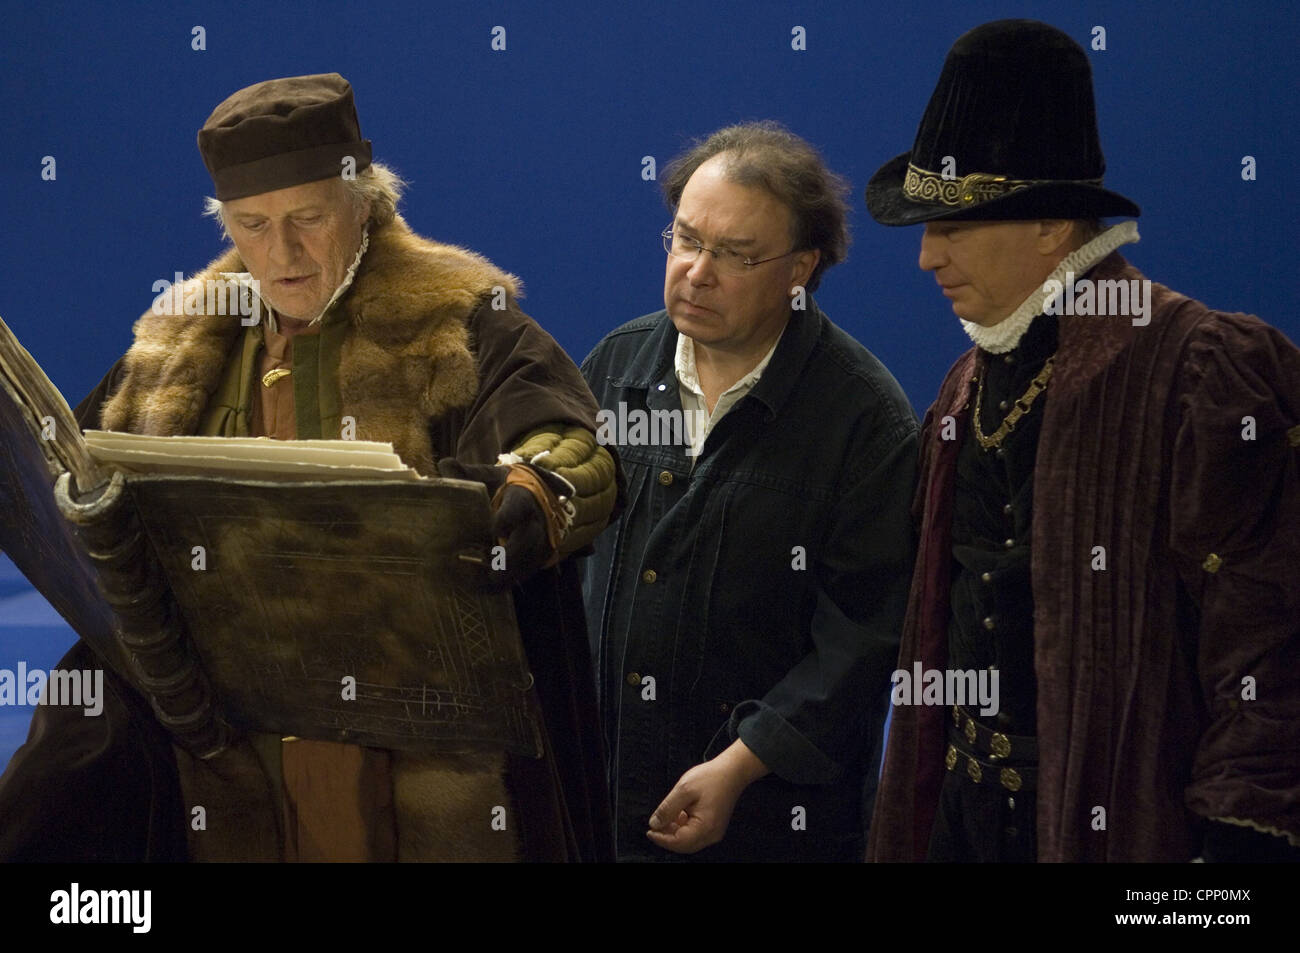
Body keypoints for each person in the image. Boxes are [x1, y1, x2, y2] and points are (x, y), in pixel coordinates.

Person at [0, 72, 617, 862]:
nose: (280, 253)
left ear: (367, 199)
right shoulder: (177, 343)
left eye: (308, 218)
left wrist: (533, 491)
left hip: (406, 731)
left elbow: (570, 445)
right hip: (222, 733)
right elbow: (72, 468)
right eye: (251, 225)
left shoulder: (460, 320)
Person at [864, 19, 1300, 862]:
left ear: (1052, 226)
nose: (925, 257)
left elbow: (1272, 661)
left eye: (953, 227)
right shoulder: (965, 385)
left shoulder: (1198, 373)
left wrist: (1220, 883)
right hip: (961, 820)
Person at [580, 121, 918, 862]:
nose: (697, 272)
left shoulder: (862, 417)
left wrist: (739, 764)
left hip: (772, 821)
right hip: (603, 807)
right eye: (687, 239)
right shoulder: (616, 366)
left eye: (734, 255)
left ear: (800, 268)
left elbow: (863, 642)